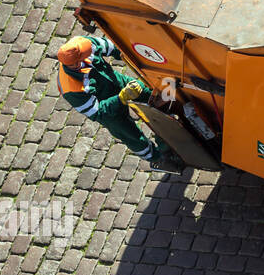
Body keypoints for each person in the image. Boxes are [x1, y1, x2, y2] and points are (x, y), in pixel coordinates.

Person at [56, 34, 182, 173]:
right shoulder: (71, 89)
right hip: (109, 111)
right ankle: (158, 159)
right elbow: (98, 113)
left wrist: (132, 58)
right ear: (74, 64)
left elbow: (115, 48)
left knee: (154, 98)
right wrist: (120, 99)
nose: (90, 51)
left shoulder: (84, 44)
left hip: (117, 83)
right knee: (131, 136)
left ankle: (167, 143)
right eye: (85, 53)